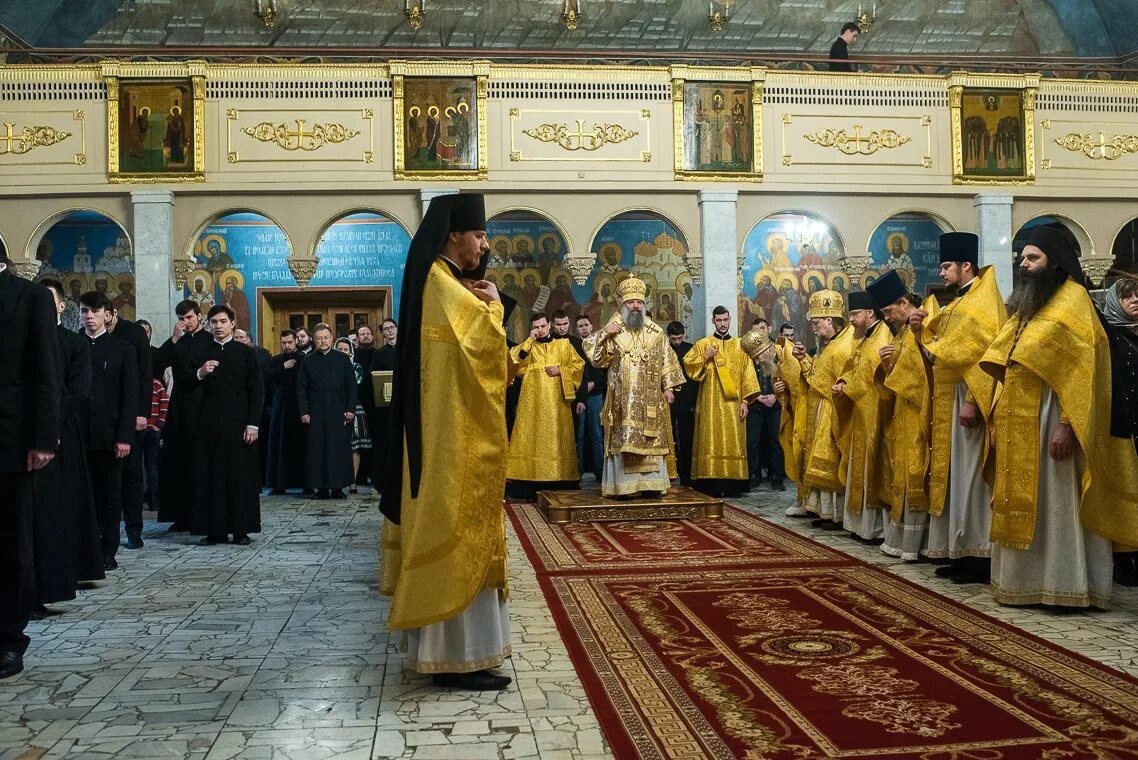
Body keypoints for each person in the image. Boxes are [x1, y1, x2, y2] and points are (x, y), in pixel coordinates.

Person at [379, 192, 513, 691]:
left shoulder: (441, 282)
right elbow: (486, 346)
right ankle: (456, 658)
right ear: (454, 235)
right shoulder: (441, 283)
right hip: (450, 442)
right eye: (479, 234)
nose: (484, 243)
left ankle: (467, 654)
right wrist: (497, 307)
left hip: (447, 433)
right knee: (457, 533)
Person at [981, 224, 1138, 608]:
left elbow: (1086, 375)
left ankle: (1064, 585)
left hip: (1055, 419)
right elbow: (1004, 359)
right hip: (1021, 421)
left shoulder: (1074, 304)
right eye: (1022, 258)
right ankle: (1022, 582)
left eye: (1033, 258)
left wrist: (1067, 426)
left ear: (1055, 262)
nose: (1024, 265)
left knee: (1058, 503)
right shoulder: (1029, 307)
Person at [910, 233, 1006, 584]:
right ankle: (959, 550)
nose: (943, 272)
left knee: (971, 477)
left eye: (947, 266)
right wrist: (921, 331)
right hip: (948, 401)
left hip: (970, 400)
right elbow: (939, 353)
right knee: (953, 477)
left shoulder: (983, 303)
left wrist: (971, 402)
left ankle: (979, 554)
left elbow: (984, 355)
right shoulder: (956, 305)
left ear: (967, 265)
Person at [0, 256, 61, 679]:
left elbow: (44, 372)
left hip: (8, 439)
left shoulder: (29, 296)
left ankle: (7, 638)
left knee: (7, 544)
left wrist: (42, 438)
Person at [583, 276, 684, 498]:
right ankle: (624, 486)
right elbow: (596, 357)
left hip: (651, 399)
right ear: (622, 305)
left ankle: (651, 485)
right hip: (622, 399)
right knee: (625, 438)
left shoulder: (656, 332)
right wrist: (604, 333)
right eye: (631, 302)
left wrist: (668, 388)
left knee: (651, 439)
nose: (636, 306)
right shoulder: (614, 328)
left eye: (639, 302)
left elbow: (667, 361)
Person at [868, 272, 933, 561]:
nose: (887, 317)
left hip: (918, 410)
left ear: (904, 303)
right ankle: (903, 539)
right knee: (902, 470)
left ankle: (918, 541)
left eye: (888, 311)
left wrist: (891, 365)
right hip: (902, 411)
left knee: (916, 470)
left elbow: (923, 371)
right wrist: (886, 366)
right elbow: (899, 372)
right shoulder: (902, 332)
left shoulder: (921, 324)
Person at [776, 290, 856, 526]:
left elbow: (830, 379)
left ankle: (836, 514)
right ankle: (824, 510)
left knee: (831, 459)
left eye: (817, 322)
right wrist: (802, 358)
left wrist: (802, 361)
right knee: (819, 457)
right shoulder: (829, 344)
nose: (814, 326)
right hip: (820, 408)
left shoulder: (843, 346)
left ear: (830, 320)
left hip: (833, 410)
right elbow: (817, 374)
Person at [187, 305, 264, 545]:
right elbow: (184, 383)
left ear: (232, 323)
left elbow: (257, 390)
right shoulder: (201, 351)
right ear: (208, 325)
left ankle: (241, 530)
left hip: (240, 425)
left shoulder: (245, 352)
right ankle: (214, 531)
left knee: (239, 477)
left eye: (222, 321)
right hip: (209, 426)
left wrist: (253, 424)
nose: (218, 326)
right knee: (211, 477)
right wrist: (200, 372)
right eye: (213, 322)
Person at [80, 291, 139, 571]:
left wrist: (124, 436)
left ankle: (107, 549)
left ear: (108, 314)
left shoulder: (123, 349)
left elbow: (130, 397)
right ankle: (84, 548)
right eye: (84, 311)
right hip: (78, 435)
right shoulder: (72, 345)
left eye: (94, 311)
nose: (89, 316)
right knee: (82, 495)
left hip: (110, 435)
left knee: (110, 495)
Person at [832, 291, 892, 541]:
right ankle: (860, 525)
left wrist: (848, 388)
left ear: (870, 313)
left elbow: (871, 374)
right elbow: (853, 366)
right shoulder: (865, 337)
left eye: (855, 314)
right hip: (859, 408)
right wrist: (843, 381)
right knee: (860, 463)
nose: (851, 320)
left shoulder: (882, 336)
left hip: (875, 409)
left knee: (872, 464)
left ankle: (875, 527)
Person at [506, 312, 584, 501]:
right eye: (536, 327)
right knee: (531, 438)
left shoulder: (564, 345)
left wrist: (561, 370)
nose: (540, 330)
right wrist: (528, 341)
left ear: (549, 325)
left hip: (557, 403)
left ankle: (560, 480)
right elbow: (513, 363)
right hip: (531, 403)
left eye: (542, 326)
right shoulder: (529, 345)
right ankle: (526, 483)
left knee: (556, 437)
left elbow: (578, 366)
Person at [684, 306, 760, 498]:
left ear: (730, 319)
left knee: (734, 441)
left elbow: (747, 375)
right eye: (719, 320)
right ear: (713, 321)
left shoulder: (740, 346)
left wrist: (745, 401)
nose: (723, 324)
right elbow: (689, 366)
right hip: (709, 405)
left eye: (725, 320)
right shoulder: (704, 344)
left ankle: (734, 485)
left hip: (734, 405)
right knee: (710, 440)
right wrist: (705, 357)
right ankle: (709, 483)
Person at [153, 300, 211, 531]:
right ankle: (181, 515)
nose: (185, 322)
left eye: (189, 317)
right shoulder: (177, 342)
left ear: (198, 316)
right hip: (180, 406)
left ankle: (203, 514)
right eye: (181, 318)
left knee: (201, 461)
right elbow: (157, 364)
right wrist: (174, 338)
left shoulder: (210, 341)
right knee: (179, 460)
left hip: (203, 403)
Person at [1101, 272, 1138, 586]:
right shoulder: (1108, 335)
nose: (1135, 300)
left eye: (1137, 295)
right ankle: (1122, 559)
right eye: (1127, 296)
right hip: (1121, 422)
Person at [106, 304, 152, 550]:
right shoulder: (87, 337)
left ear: (111, 313)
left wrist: (142, 412)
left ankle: (134, 530)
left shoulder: (133, 334)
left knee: (132, 475)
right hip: (104, 419)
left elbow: (145, 375)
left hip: (132, 415)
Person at [298, 323, 358, 500]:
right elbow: (301, 388)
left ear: (332, 338)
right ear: (313, 340)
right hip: (315, 410)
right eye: (319, 338)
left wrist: (350, 409)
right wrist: (304, 411)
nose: (323, 341)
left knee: (338, 449)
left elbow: (352, 387)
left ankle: (338, 488)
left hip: (339, 409)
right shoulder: (307, 361)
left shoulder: (342, 359)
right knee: (318, 449)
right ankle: (322, 489)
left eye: (326, 337)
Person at [265, 329, 308, 494]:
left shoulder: (304, 359)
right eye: (284, 343)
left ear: (296, 341)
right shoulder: (276, 360)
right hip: (281, 408)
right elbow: (267, 378)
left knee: (302, 445)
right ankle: (279, 484)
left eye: (290, 342)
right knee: (279, 445)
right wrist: (283, 367)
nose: (287, 345)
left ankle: (306, 483)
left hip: (299, 408)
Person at [746, 318, 785, 491]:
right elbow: (744, 378)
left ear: (769, 329)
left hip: (775, 403)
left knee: (776, 441)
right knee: (752, 442)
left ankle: (776, 476)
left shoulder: (778, 351)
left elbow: (786, 376)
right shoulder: (748, 354)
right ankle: (754, 475)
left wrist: (775, 396)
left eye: (762, 328)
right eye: (756, 330)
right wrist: (756, 397)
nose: (760, 333)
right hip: (755, 403)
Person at [335, 337, 371, 493]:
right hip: (335, 408)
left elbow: (357, 381)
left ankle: (353, 482)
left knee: (354, 447)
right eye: (340, 349)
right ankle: (337, 480)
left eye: (345, 349)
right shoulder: (331, 366)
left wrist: (347, 365)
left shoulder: (356, 366)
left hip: (353, 408)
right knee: (337, 446)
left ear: (350, 351)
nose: (343, 352)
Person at [574, 315, 606, 482]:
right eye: (580, 326)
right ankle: (577, 472)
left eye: (586, 325)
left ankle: (600, 471)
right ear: (577, 329)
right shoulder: (574, 346)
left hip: (595, 394)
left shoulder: (599, 344)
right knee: (578, 435)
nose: (584, 328)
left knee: (596, 434)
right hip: (578, 395)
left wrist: (593, 383)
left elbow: (604, 368)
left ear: (591, 326)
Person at [666, 321, 698, 486]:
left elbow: (695, 378)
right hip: (667, 402)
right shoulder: (663, 349)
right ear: (668, 337)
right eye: (674, 338)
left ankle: (686, 475)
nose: (677, 342)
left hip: (686, 402)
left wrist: (694, 402)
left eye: (680, 338)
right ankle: (670, 474)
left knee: (687, 438)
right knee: (669, 438)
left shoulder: (691, 349)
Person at [369, 320, 398, 490]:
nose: (390, 330)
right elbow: (373, 375)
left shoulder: (407, 349)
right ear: (383, 334)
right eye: (386, 329)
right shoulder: (379, 354)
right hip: (385, 407)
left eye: (392, 327)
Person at [354, 324, 377, 486]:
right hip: (359, 404)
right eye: (362, 334)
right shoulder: (353, 356)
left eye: (368, 333)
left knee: (375, 440)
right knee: (360, 443)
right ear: (357, 338)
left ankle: (375, 474)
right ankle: (359, 476)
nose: (366, 336)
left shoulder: (378, 353)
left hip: (376, 404)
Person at [142, 375, 168, 511]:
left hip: (152, 430)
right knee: (145, 466)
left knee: (151, 465)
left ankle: (153, 500)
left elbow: (164, 404)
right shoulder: (152, 384)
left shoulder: (156, 385)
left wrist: (159, 425)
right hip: (140, 430)